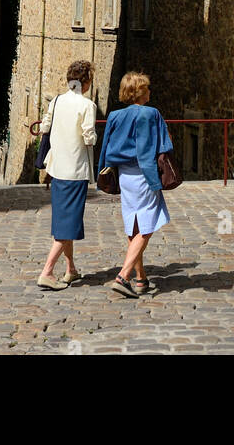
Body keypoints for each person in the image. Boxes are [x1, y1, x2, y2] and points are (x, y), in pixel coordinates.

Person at [98, 71, 173, 298]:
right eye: (147, 88)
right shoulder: (152, 114)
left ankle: (141, 278)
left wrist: (103, 173)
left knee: (134, 225)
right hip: (144, 175)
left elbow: (105, 147)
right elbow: (164, 145)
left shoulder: (114, 116)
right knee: (147, 225)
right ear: (140, 91)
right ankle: (123, 276)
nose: (150, 91)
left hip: (124, 176)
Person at [36, 59, 97, 290]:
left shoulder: (58, 100)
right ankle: (47, 271)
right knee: (69, 223)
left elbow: (45, 126)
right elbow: (89, 137)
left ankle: (70, 269)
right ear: (86, 81)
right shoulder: (86, 106)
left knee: (64, 220)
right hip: (75, 170)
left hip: (57, 168)